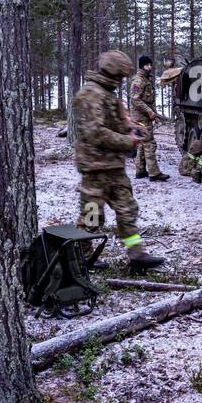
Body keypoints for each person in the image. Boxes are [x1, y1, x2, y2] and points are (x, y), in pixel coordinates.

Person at [72, 50, 165, 270]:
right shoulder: (89, 95)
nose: (122, 80)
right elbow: (95, 132)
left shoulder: (106, 93)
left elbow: (114, 122)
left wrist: (131, 127)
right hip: (95, 169)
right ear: (113, 72)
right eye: (121, 76)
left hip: (113, 166)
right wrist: (127, 141)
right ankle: (80, 257)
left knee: (127, 209)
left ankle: (136, 256)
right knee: (92, 216)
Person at [130, 55, 169, 181]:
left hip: (144, 116)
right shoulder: (139, 80)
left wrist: (153, 113)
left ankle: (140, 171)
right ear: (142, 66)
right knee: (150, 144)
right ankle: (154, 173)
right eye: (147, 65)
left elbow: (148, 101)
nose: (150, 67)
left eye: (150, 65)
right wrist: (149, 112)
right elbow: (135, 100)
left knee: (143, 143)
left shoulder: (146, 79)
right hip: (141, 118)